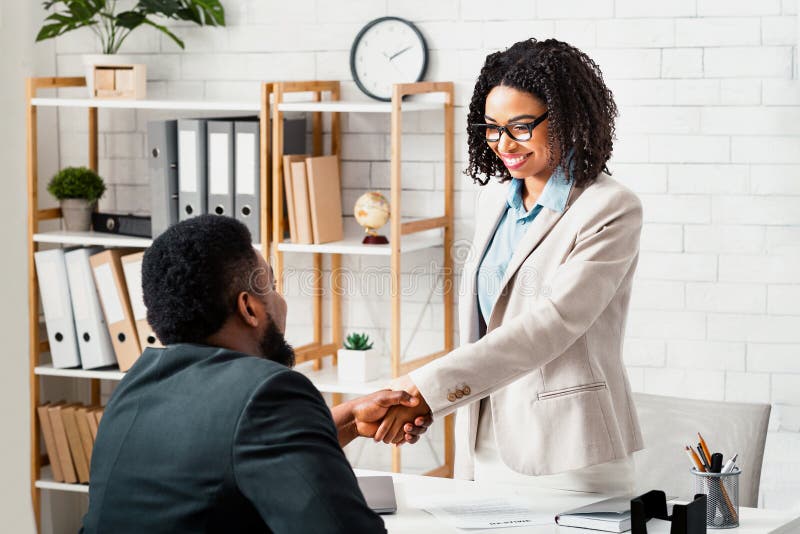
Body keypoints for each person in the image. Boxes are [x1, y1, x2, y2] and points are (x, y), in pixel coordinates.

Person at [376, 38, 644, 494]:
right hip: (483, 445)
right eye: (492, 128)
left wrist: (424, 387)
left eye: (521, 127)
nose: (504, 144)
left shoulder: (610, 208)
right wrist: (430, 403)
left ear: (566, 117)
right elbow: (485, 325)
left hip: (570, 456)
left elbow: (552, 325)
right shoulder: (496, 198)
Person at [80, 215, 429, 534]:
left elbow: (228, 454)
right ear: (249, 308)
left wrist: (350, 420)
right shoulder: (268, 391)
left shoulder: (134, 386)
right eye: (273, 286)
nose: (281, 300)